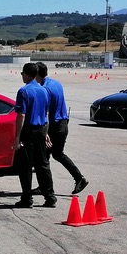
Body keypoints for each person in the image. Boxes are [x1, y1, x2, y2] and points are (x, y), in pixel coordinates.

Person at [36, 62, 89, 195]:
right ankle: (46, 185)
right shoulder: (56, 83)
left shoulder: (45, 89)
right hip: (63, 123)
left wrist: (45, 132)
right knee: (54, 155)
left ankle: (47, 187)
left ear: (37, 74)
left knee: (45, 157)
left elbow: (46, 112)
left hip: (54, 126)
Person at [12, 62, 56, 208]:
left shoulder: (23, 91)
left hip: (29, 131)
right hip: (42, 129)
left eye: (22, 74)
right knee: (42, 164)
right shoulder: (44, 90)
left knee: (25, 166)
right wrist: (46, 132)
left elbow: (21, 116)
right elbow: (46, 113)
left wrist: (17, 137)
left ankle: (27, 197)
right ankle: (50, 196)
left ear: (26, 74)